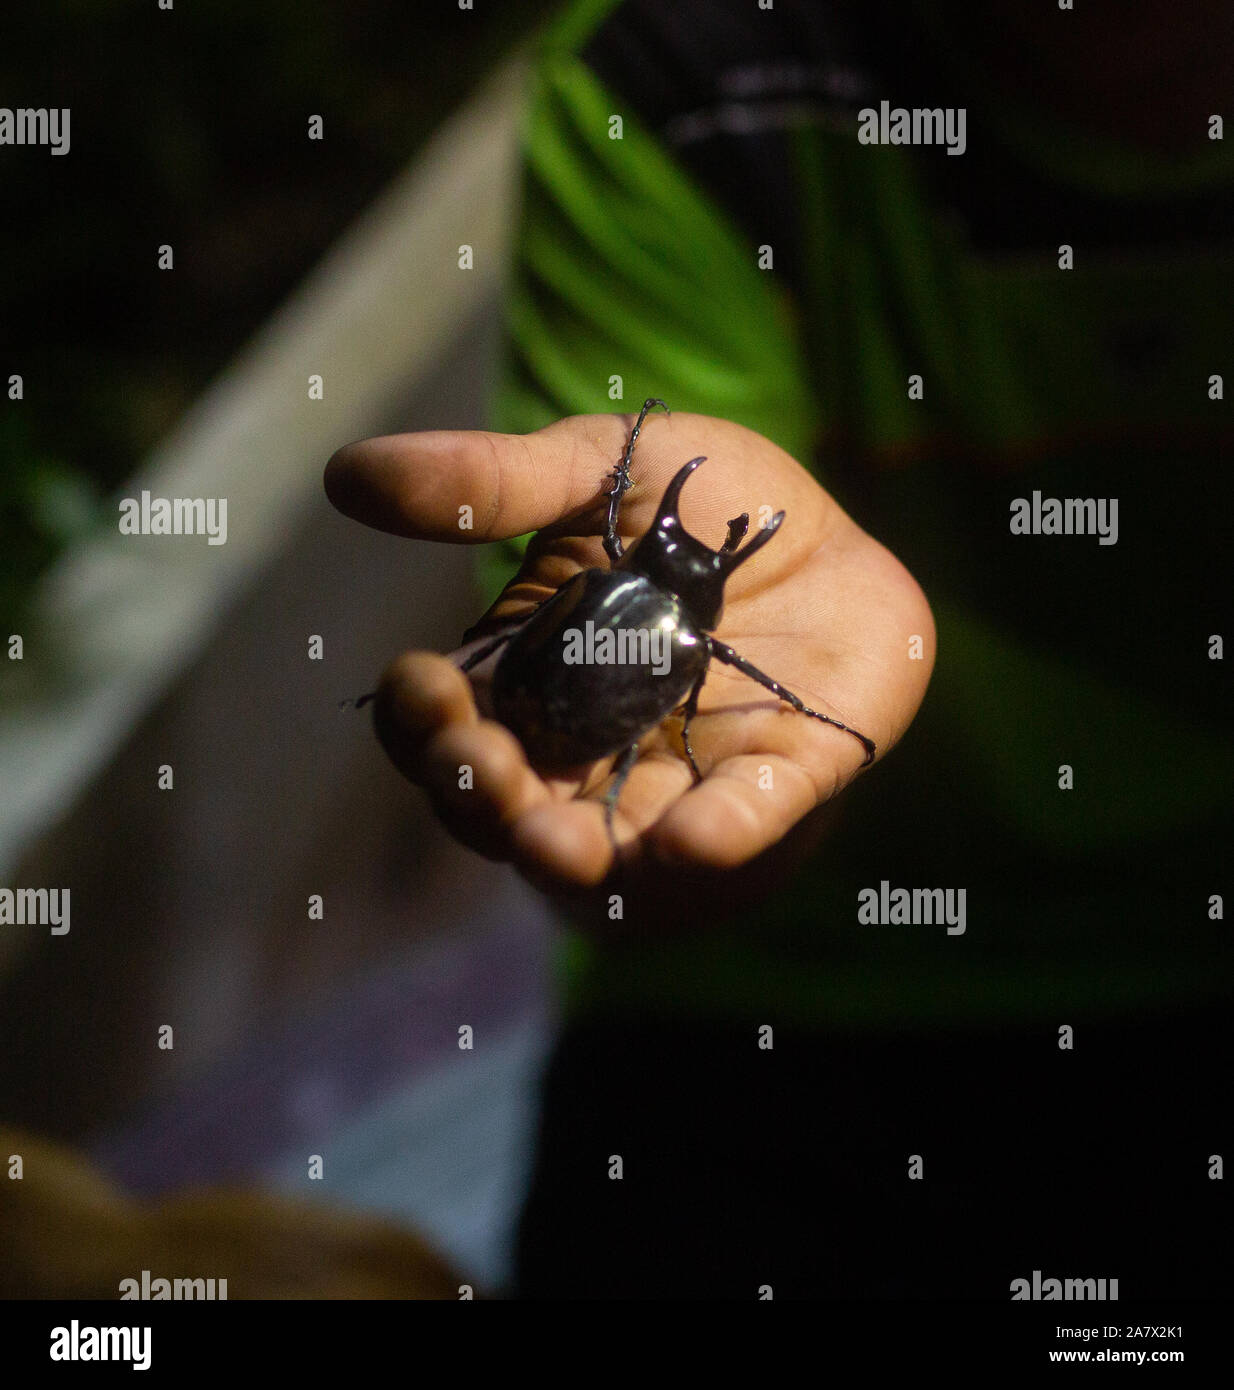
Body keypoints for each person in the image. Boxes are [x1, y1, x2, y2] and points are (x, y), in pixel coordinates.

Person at [325, 0, 1233, 1297]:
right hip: (770, 996)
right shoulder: (678, 67)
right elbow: (632, 674)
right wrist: (703, 839)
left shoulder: (663, 604)